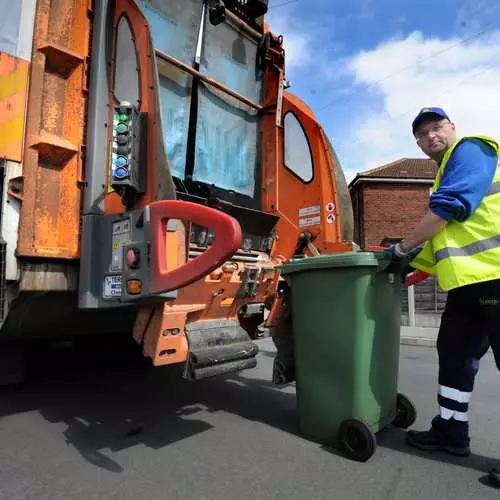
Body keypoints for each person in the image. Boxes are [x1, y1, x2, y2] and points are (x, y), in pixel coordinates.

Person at [387, 107, 500, 458]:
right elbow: (443, 245)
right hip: (467, 287)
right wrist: (407, 273)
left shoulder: (472, 149)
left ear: (452, 127)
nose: (430, 136)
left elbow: (450, 208)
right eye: (422, 133)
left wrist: (402, 248)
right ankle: (451, 432)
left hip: (496, 277)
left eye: (437, 127)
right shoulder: (443, 175)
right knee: (453, 356)